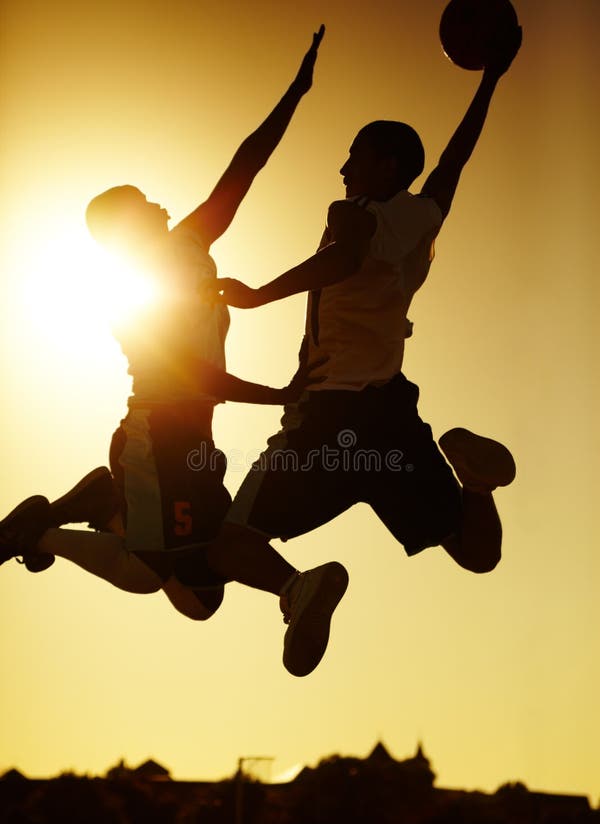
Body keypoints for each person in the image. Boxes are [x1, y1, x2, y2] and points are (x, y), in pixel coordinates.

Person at [0, 26, 349, 643]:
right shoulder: (130, 298)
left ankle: (80, 513)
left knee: (196, 588)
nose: (161, 206)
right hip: (158, 440)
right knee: (177, 578)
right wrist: (279, 394)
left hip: (186, 436)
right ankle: (65, 520)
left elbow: (244, 168)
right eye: (145, 203)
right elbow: (191, 378)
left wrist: (296, 94)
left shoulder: (186, 244)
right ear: (125, 228)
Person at [205, 24, 523, 675]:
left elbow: (344, 256)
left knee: (225, 544)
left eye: (355, 155)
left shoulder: (351, 215)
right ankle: (479, 484)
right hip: (390, 421)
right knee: (476, 553)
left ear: (385, 167)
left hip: (326, 422)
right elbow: (452, 163)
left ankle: (299, 589)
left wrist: (259, 295)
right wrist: (491, 78)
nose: (344, 167)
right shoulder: (420, 218)